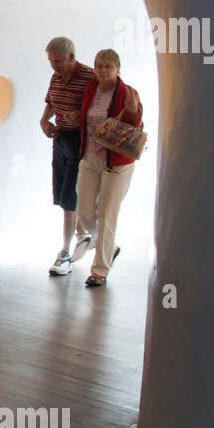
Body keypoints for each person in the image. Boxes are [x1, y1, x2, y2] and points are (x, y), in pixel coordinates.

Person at [74, 48, 142, 287]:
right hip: (90, 158)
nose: (103, 70)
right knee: (83, 212)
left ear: (118, 69)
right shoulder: (91, 89)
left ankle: (100, 270)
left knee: (107, 213)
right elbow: (86, 117)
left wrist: (132, 109)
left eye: (108, 66)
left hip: (117, 163)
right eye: (99, 65)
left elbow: (134, 127)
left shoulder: (127, 92)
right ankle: (109, 246)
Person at [40, 36, 96, 275]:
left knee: (69, 199)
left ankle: (65, 253)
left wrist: (80, 117)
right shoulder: (55, 77)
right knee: (62, 194)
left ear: (72, 57)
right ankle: (89, 238)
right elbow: (51, 101)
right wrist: (45, 120)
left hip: (80, 141)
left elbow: (100, 108)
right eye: (51, 61)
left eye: (58, 61)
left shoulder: (89, 77)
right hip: (61, 138)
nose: (54, 65)